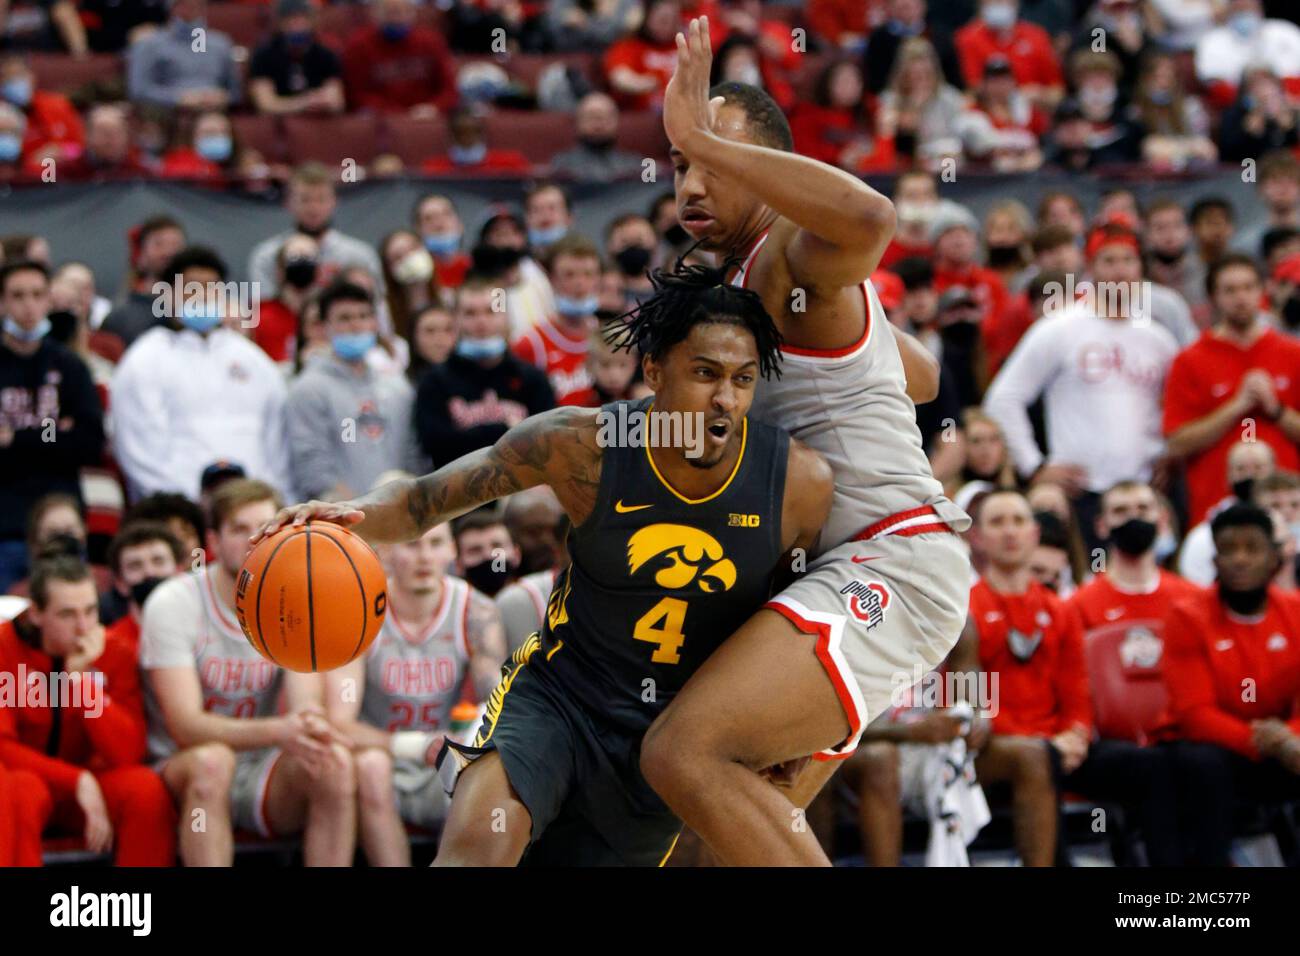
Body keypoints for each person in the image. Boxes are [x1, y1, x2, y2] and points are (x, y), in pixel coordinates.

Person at [255, 258, 834, 866]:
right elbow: (424, 500)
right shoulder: (580, 446)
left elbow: (789, 620)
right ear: (655, 369)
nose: (724, 398)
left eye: (743, 380)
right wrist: (338, 517)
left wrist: (792, 720)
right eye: (705, 373)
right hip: (560, 695)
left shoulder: (798, 483)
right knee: (479, 845)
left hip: (672, 735)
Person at [634, 21, 970, 867]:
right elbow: (920, 375)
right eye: (680, 166)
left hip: (885, 565)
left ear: (771, 171)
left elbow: (870, 212)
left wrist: (698, 134)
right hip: (826, 576)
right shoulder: (754, 285)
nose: (692, 182)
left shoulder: (787, 246)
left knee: (682, 755)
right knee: (708, 850)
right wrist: (857, 336)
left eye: (715, 159)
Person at [139, 479, 355, 866]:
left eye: (268, 526)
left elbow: (305, 703)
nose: (256, 538)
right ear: (213, 539)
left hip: (261, 767)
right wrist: (280, 730)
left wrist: (309, 725)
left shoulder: (297, 600)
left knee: (332, 761)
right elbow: (185, 726)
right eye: (240, 529)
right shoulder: (173, 602)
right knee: (213, 762)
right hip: (180, 765)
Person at [984, 224, 1179, 556]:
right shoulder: (1061, 327)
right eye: (1108, 261)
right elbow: (1002, 399)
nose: (1120, 271)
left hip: (1144, 492)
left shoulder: (1158, 339)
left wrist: (1167, 452)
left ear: (1140, 268)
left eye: (1128, 260)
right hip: (1081, 493)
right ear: (1090, 269)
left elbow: (1174, 407)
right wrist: (1034, 466)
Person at [323, 523, 505, 865]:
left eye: (435, 543)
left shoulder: (476, 611)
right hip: (379, 758)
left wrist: (467, 742)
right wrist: (416, 745)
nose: (424, 557)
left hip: (445, 758)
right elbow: (338, 724)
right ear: (384, 553)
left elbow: (495, 701)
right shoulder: (357, 612)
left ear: (453, 550)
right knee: (369, 766)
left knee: (487, 764)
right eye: (411, 544)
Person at [0, 556, 177, 865]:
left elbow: (127, 753)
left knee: (145, 790)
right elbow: (3, 748)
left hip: (91, 786)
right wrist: (77, 780)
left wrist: (81, 684)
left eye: (91, 611)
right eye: (67, 614)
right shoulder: (3, 648)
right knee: (18, 791)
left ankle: (135, 910)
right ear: (36, 613)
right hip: (27, 783)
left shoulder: (115, 651)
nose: (83, 627)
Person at [1064, 480, 1198, 865]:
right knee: (1154, 768)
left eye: (1142, 510)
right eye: (1121, 512)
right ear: (1102, 525)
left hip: (1179, 738)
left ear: (1161, 519)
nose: (1133, 519)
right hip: (1111, 746)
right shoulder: (1079, 605)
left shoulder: (1191, 599)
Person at [1164, 504, 1300, 865]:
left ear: (1274, 558)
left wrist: (1290, 737)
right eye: (1229, 549)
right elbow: (1194, 713)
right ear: (1215, 559)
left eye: (1252, 548)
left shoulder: (1296, 613)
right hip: (1218, 749)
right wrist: (1269, 743)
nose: (1239, 559)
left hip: (1285, 745)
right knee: (1203, 763)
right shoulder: (1186, 615)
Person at [962, 490, 1091, 866]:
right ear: (978, 538)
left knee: (1150, 765)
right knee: (1037, 758)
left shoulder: (1060, 610)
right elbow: (964, 700)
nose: (1009, 532)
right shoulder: (963, 609)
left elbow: (1077, 688)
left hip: (1055, 743)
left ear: (1035, 534)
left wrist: (1078, 734)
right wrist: (1044, 740)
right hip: (991, 747)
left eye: (1018, 521)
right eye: (997, 522)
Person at [111, 246, 291, 502]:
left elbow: (277, 445)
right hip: (178, 510)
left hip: (253, 508)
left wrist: (270, 500)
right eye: (191, 287)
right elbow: (138, 450)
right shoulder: (143, 361)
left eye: (211, 287)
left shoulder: (254, 361)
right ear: (168, 294)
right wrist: (188, 504)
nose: (202, 296)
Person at [1164, 254, 1300, 526]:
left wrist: (1275, 409)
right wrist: (1237, 406)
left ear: (1263, 291)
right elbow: (1176, 443)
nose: (1241, 298)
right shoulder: (1190, 360)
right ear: (1213, 297)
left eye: (1249, 287)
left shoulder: (1292, 353)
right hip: (1215, 509)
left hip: (1287, 510)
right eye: (1230, 290)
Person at [0, 260, 105, 594]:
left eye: (36, 294)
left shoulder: (69, 365)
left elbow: (90, 443)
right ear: (2, 301)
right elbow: (70, 441)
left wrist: (15, 438)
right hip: (5, 527)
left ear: (49, 300)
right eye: (17, 295)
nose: (28, 305)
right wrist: (56, 432)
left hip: (63, 524)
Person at [286, 280, 418, 501]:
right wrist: (358, 511)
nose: (356, 325)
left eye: (363, 316)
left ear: (376, 323)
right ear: (325, 327)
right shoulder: (307, 389)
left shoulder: (398, 387)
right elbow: (312, 466)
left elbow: (413, 456)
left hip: (400, 516)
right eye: (345, 318)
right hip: (342, 520)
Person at [415, 273, 555, 469]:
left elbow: (546, 443)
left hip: (519, 487)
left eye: (491, 312)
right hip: (458, 489)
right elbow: (437, 446)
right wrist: (505, 430)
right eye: (470, 313)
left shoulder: (532, 378)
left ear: (506, 316)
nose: (481, 322)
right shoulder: (434, 381)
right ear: (456, 320)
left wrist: (472, 437)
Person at [247, 163, 384, 299]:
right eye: (305, 199)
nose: (313, 208)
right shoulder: (267, 256)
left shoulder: (360, 256)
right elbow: (262, 309)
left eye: (321, 199)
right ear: (288, 203)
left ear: (334, 202)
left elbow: (378, 306)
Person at [512, 235, 600, 405]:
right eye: (569, 275)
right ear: (551, 279)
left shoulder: (610, 336)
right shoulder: (530, 344)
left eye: (588, 274)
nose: (580, 283)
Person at [1178, 439, 1276, 586]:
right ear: (1227, 475)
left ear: (1274, 472)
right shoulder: (1202, 537)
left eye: (1258, 468)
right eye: (1241, 469)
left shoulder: (1292, 528)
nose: (1250, 475)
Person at [341, 0, 457, 115]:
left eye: (403, 11)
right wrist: (394, 113)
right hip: (380, 123)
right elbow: (356, 94)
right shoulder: (358, 45)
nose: (397, 18)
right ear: (375, 14)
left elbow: (449, 90)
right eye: (390, 12)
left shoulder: (431, 42)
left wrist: (434, 107)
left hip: (427, 118)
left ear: (413, 13)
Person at [125, 0, 239, 110]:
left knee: (211, 124)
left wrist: (222, 97)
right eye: (183, 4)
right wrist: (178, 98)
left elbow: (235, 92)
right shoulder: (148, 44)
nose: (190, 9)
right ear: (171, 8)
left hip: (213, 111)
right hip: (166, 111)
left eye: (196, 4)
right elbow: (139, 91)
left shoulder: (221, 44)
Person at [101, 214, 187, 347]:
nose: (169, 252)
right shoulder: (121, 314)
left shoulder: (202, 307)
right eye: (159, 244)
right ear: (141, 253)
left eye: (176, 244)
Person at [248, 0, 345, 116]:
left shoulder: (325, 55)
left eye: (303, 19)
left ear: (313, 22)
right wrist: (305, 102)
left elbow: (336, 102)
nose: (298, 26)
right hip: (279, 127)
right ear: (280, 23)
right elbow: (266, 105)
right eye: (291, 20)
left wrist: (322, 102)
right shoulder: (264, 56)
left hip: (317, 125)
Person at [100, 520, 182, 628]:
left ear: (178, 570)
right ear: (120, 582)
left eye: (158, 561)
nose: (149, 572)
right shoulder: (107, 643)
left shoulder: (206, 632)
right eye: (135, 566)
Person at [549, 92, 644, 183]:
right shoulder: (562, 167)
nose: (598, 124)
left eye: (604, 117)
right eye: (591, 117)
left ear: (616, 122)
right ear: (578, 122)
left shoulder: (634, 167)